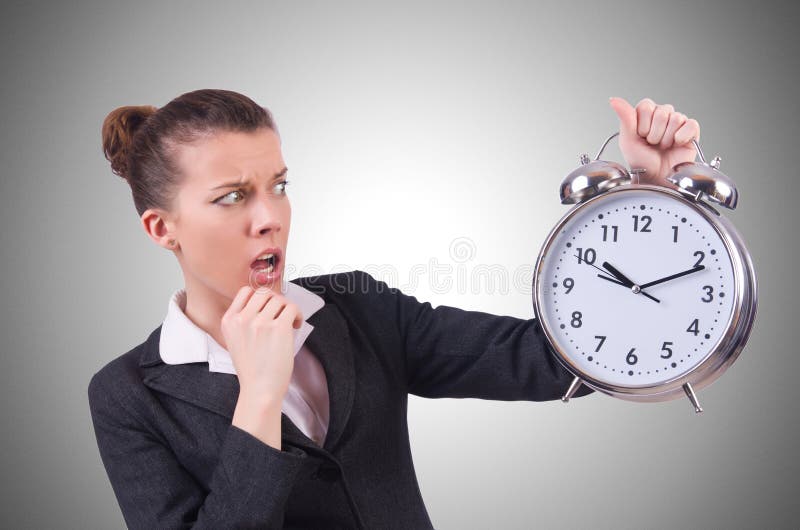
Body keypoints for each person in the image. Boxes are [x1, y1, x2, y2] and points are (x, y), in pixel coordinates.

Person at [87, 89, 700, 529]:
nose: (269, 217)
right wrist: (258, 400)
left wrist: (645, 196)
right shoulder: (127, 394)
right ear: (162, 228)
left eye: (279, 185)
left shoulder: (358, 309)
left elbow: (552, 358)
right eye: (231, 197)